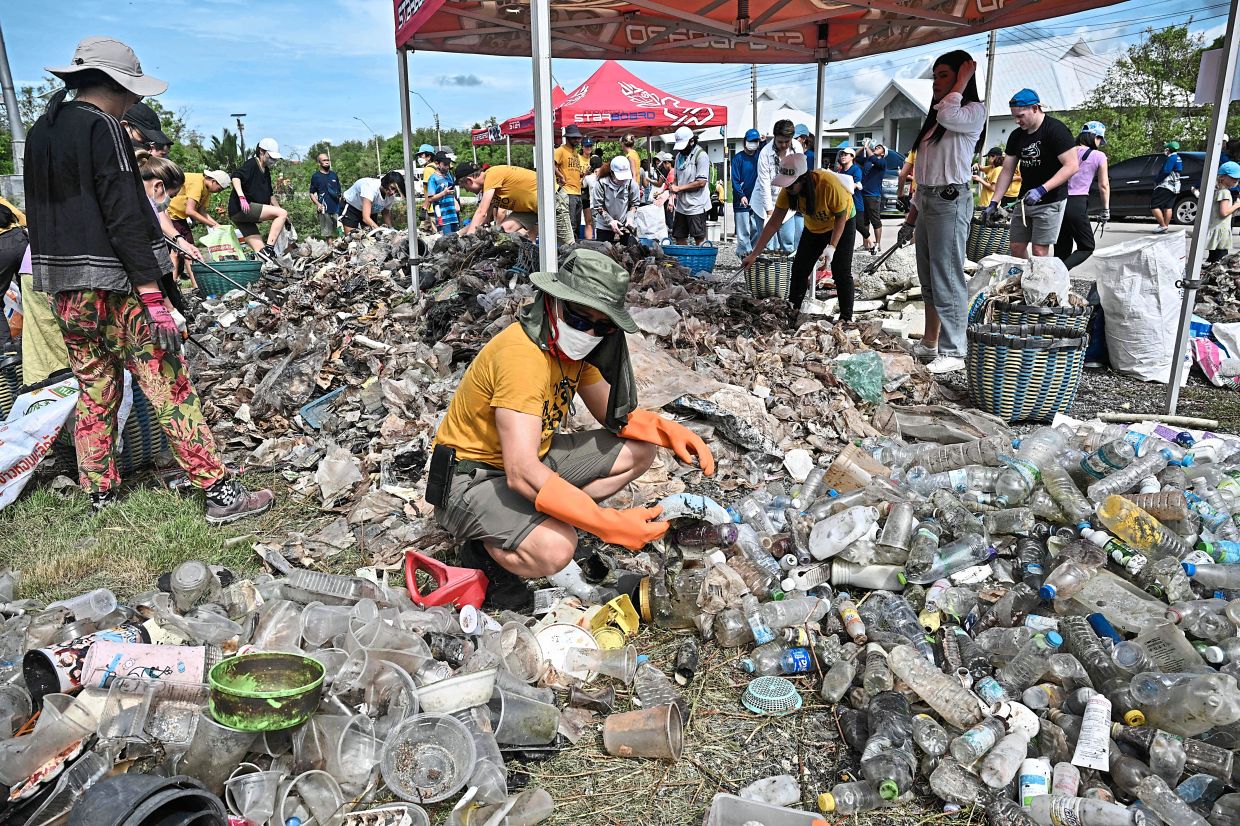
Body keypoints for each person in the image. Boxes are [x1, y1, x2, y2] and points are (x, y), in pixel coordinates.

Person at [24, 35, 273, 520]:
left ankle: (99, 493)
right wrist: (153, 294)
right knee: (167, 383)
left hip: (66, 289)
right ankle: (219, 493)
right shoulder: (103, 127)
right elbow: (123, 214)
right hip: (118, 287)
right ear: (117, 84)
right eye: (133, 90)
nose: (136, 100)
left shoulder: (41, 132)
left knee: (94, 389)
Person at [431, 248, 714, 608]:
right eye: (580, 320)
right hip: (471, 478)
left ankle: (538, 518)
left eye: (603, 327)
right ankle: (484, 551)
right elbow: (521, 473)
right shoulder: (524, 358)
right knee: (556, 548)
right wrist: (605, 523)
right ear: (553, 304)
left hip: (532, 458)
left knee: (641, 449)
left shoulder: (574, 352)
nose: (589, 332)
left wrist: (668, 429)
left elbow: (616, 416)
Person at [894, 50, 987, 376]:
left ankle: (953, 351)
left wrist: (961, 81)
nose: (936, 83)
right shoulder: (934, 122)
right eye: (935, 76)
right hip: (929, 200)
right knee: (929, 280)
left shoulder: (973, 111)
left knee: (948, 278)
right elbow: (924, 175)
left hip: (951, 201)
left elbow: (950, 114)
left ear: (963, 77)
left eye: (944, 75)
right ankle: (930, 344)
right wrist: (910, 220)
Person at [740, 152, 855, 325]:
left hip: (843, 223)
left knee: (841, 271)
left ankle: (846, 317)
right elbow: (773, 224)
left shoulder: (828, 185)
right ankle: (793, 311)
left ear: (803, 179)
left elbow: (840, 217)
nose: (787, 188)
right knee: (800, 269)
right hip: (814, 228)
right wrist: (755, 254)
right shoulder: (788, 193)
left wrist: (832, 247)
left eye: (791, 185)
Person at [988, 88, 1078, 259]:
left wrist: (1042, 189)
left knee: (1039, 250)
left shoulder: (1055, 130)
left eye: (1020, 116)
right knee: (1016, 247)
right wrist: (994, 202)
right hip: (1024, 201)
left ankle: (1040, 283)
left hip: (1051, 200)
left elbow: (1072, 166)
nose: (1017, 121)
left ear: (1035, 108)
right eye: (1014, 116)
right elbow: (1007, 171)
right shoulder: (1016, 136)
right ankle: (1025, 279)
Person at [1054, 122, 1111, 270]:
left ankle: (1056, 284)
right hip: (1077, 202)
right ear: (1094, 137)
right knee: (1087, 246)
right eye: (1100, 139)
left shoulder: (1065, 151)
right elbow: (1103, 185)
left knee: (1062, 248)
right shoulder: (1099, 156)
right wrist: (1105, 209)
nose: (1100, 143)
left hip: (1058, 201)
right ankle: (1058, 273)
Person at [228, 138, 289, 265]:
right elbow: (235, 176)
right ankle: (271, 247)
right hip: (242, 208)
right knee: (282, 213)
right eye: (271, 157)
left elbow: (271, 196)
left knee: (262, 253)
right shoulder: (251, 164)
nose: (273, 161)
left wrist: (283, 216)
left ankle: (266, 274)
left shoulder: (266, 170)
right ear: (261, 151)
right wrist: (242, 197)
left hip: (240, 216)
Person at [456, 162, 541, 239]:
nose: (467, 191)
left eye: (464, 187)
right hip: (529, 209)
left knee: (552, 235)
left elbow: (481, 212)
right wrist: (458, 234)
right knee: (503, 230)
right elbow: (483, 219)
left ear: (469, 181)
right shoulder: (489, 189)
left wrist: (469, 239)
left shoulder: (492, 175)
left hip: (547, 200)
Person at [752, 120, 799, 253]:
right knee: (768, 244)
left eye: (787, 141)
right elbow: (764, 184)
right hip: (764, 201)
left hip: (786, 200)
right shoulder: (765, 154)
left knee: (788, 242)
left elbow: (799, 174)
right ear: (774, 137)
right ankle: (769, 273)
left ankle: (788, 273)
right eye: (780, 142)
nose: (783, 145)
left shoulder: (797, 148)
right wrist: (769, 213)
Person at [670, 126, 711, 246]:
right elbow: (676, 178)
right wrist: (672, 191)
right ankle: (684, 260)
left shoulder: (701, 156)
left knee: (699, 237)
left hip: (696, 205)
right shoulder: (678, 157)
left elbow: (701, 182)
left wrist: (679, 188)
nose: (681, 150)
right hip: (681, 205)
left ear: (692, 141)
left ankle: (699, 262)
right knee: (679, 235)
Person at [592, 156, 640, 242]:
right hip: (604, 225)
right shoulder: (601, 184)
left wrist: (630, 218)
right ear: (612, 172)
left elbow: (634, 205)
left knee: (629, 250)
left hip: (625, 225)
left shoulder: (631, 184)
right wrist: (610, 221)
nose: (623, 180)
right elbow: (598, 206)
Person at [732, 129, 763, 259]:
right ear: (745, 141)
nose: (753, 143)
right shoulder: (738, 158)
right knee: (743, 231)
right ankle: (745, 256)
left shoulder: (760, 156)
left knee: (756, 229)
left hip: (756, 200)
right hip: (741, 201)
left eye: (756, 141)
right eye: (751, 141)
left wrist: (764, 141)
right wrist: (741, 195)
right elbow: (735, 180)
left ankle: (752, 255)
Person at [0, 202, 26, 349]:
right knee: (30, 296)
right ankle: (32, 342)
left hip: (2, 248)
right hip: (21, 239)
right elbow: (22, 218)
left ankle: (6, 349)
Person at [554, 125, 587, 237]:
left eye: (578, 138)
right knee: (570, 225)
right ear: (568, 138)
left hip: (577, 192)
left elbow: (573, 171)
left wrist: (583, 174)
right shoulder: (560, 151)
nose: (577, 140)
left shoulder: (575, 153)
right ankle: (569, 250)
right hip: (567, 192)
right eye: (574, 138)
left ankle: (575, 249)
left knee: (577, 225)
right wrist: (560, 176)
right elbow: (551, 165)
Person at [1207, 161, 1240, 263]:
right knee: (1220, 261)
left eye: (1237, 178)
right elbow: (1224, 213)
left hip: (1216, 230)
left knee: (1213, 259)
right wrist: (1237, 205)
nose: (1236, 180)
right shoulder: (1225, 193)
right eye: (1233, 177)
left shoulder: (1217, 191)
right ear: (1222, 177)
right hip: (1221, 232)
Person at [857, 141, 887, 253]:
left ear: (883, 153)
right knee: (864, 221)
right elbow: (855, 156)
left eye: (879, 148)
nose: (876, 148)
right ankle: (866, 244)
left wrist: (867, 148)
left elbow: (874, 158)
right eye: (876, 147)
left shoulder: (882, 162)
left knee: (875, 220)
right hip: (863, 193)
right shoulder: (869, 160)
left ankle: (878, 244)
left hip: (873, 195)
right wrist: (862, 147)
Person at [837, 146, 865, 252]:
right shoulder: (841, 171)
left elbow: (856, 185)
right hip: (843, 204)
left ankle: (871, 243)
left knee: (858, 225)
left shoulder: (856, 169)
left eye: (846, 155)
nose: (843, 157)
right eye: (842, 155)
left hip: (855, 203)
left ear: (852, 157)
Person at [308, 153, 343, 238]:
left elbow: (339, 192)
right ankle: (330, 249)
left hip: (336, 209)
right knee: (328, 234)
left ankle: (340, 249)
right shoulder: (316, 176)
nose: (327, 162)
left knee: (340, 233)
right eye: (324, 160)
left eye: (327, 160)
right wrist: (318, 204)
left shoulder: (334, 175)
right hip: (324, 209)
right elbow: (311, 193)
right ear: (319, 163)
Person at [1152, 140, 1183, 233]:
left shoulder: (1171, 158)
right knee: (1168, 207)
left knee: (1154, 205)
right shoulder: (1178, 158)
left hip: (1167, 185)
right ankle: (1165, 226)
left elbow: (1166, 171)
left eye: (1166, 148)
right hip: (1176, 186)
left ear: (1169, 149)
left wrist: (1157, 180)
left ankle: (1162, 225)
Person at [426, 152, 461, 235]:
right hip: (442, 217)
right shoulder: (433, 179)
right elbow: (430, 198)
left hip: (453, 215)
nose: (447, 167)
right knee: (446, 240)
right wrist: (443, 193)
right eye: (445, 164)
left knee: (456, 239)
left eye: (448, 164)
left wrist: (455, 202)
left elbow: (452, 192)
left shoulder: (449, 176)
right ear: (437, 164)